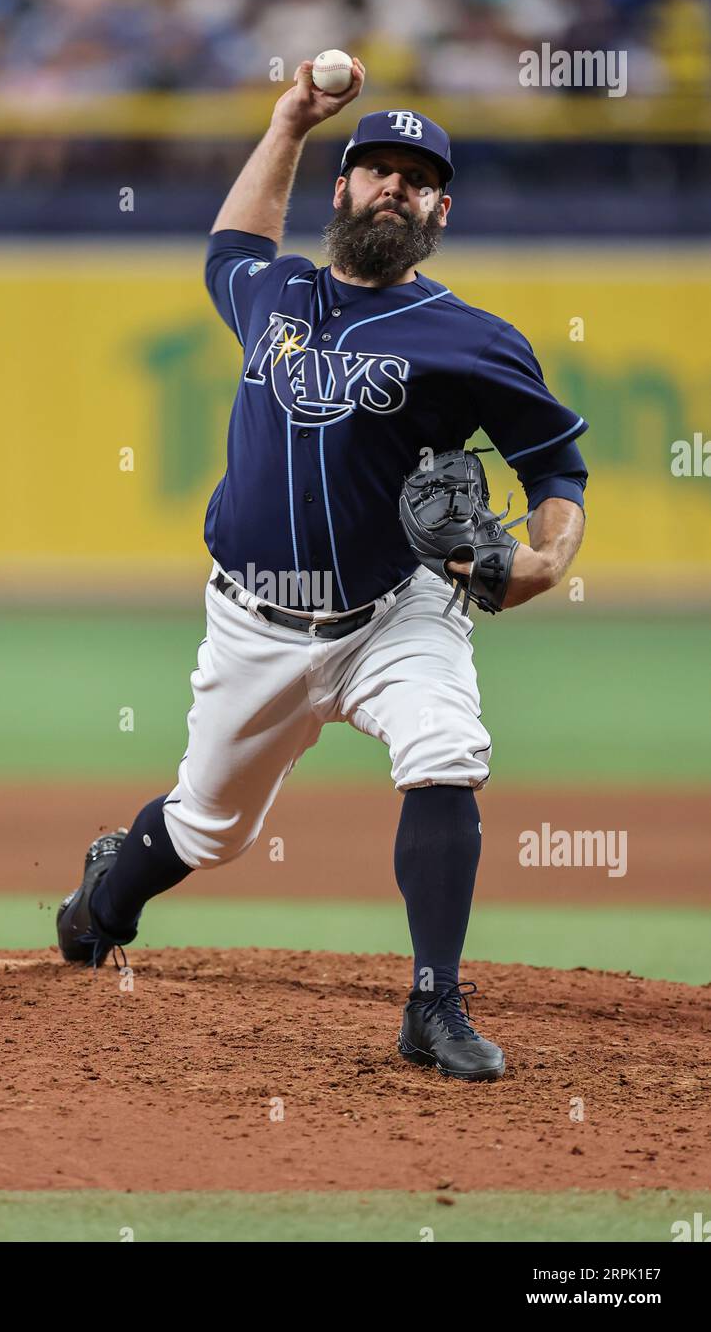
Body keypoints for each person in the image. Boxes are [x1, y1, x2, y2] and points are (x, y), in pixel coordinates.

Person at [58, 58, 588, 1083]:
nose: (392, 185)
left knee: (444, 747)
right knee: (207, 828)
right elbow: (232, 239)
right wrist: (289, 122)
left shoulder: (471, 339)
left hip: (398, 609)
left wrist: (547, 555)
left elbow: (553, 463)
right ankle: (103, 900)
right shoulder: (275, 289)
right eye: (374, 169)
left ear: (439, 208)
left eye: (415, 175)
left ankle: (432, 1003)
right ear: (339, 190)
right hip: (254, 622)